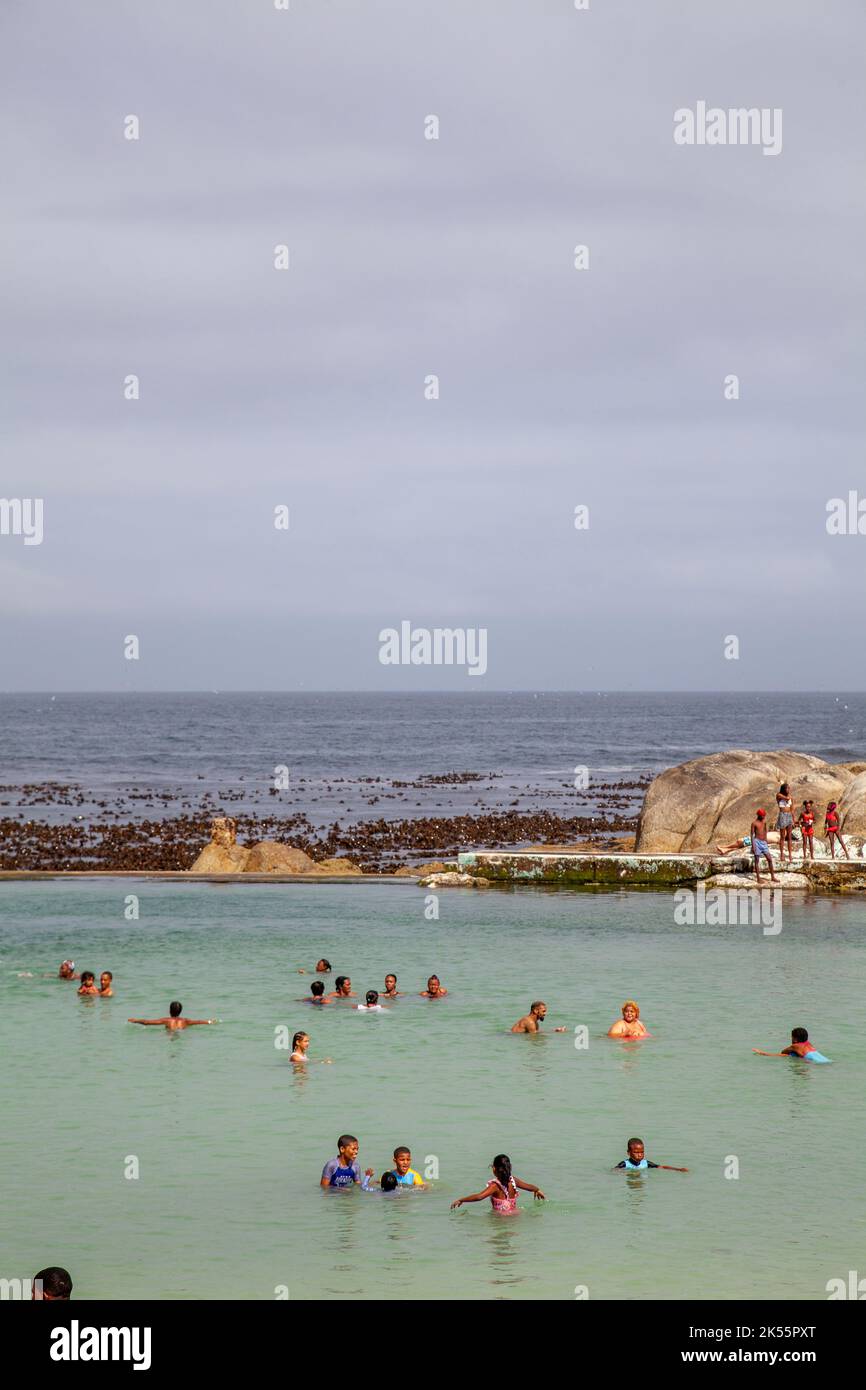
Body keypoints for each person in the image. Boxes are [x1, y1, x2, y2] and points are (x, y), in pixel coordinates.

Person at [451, 1154, 544, 1212]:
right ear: (510, 1167)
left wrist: (461, 1200)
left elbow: (479, 1197)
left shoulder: (495, 1185)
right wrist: (537, 1190)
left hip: (500, 1219)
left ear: (494, 1169)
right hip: (515, 1215)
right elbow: (529, 1187)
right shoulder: (513, 1181)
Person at [753, 1026, 831, 1063]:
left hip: (817, 1063)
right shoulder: (809, 1044)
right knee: (793, 1055)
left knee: (787, 1055)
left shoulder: (795, 1046)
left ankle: (761, 1053)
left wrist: (761, 1052)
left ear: (795, 1039)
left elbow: (783, 1052)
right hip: (827, 1061)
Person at [128, 1001, 216, 1030]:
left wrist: (135, 1020)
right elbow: (200, 1022)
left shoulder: (166, 1020)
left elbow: (147, 1022)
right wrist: (210, 1021)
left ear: (169, 1011)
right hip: (182, 1033)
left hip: (171, 1035)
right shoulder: (186, 1020)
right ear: (181, 1011)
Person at [614, 1138, 688, 1172]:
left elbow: (662, 1167)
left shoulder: (646, 1163)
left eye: (642, 1152)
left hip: (641, 1183)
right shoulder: (625, 1164)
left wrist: (678, 1169)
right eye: (636, 1152)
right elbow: (615, 1170)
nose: (639, 1155)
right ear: (628, 1152)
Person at [751, 809, 778, 884]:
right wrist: (753, 846)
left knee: (769, 859)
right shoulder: (754, 823)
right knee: (757, 860)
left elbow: (765, 830)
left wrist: (766, 840)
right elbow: (752, 835)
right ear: (758, 815)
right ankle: (758, 878)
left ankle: (772, 877)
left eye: (764, 816)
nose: (763, 817)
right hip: (757, 842)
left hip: (764, 843)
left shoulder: (764, 822)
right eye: (762, 816)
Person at [776, 782, 795, 865]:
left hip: (789, 816)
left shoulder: (790, 797)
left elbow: (792, 809)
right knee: (783, 836)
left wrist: (793, 819)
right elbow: (786, 798)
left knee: (789, 837)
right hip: (783, 815)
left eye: (789, 788)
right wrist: (789, 797)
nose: (788, 790)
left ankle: (790, 855)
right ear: (783, 789)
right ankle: (782, 854)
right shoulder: (779, 795)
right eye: (787, 788)